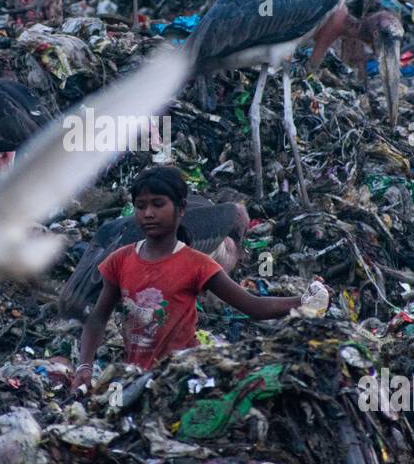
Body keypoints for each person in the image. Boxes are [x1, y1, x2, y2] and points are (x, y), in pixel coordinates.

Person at [72, 167, 326, 390]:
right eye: (141, 206)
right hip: (135, 379)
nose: (148, 214)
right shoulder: (120, 259)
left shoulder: (196, 263)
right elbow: (97, 318)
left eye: (158, 205)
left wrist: (305, 300)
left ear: (181, 209)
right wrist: (84, 366)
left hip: (182, 377)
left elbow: (253, 306)